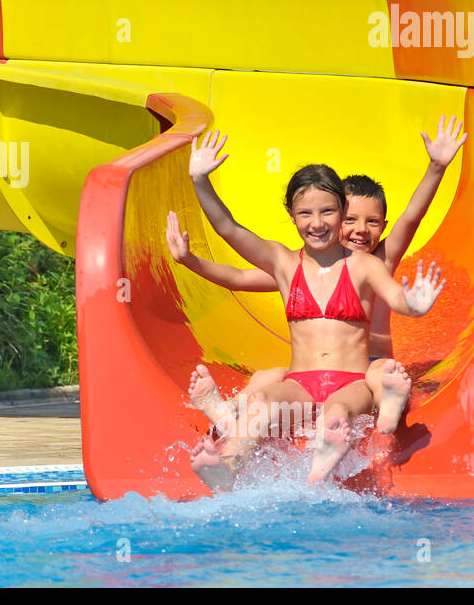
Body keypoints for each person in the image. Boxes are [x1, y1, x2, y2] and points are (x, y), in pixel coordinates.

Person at [164, 131, 445, 490]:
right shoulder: (284, 264)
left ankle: (326, 457)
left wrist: (415, 305)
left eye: (327, 211)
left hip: (353, 380)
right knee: (263, 399)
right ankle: (227, 467)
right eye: (305, 213)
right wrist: (200, 181)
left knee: (338, 413)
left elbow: (396, 297)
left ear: (342, 212)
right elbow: (228, 228)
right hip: (301, 383)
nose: (317, 222)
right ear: (292, 216)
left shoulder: (364, 265)